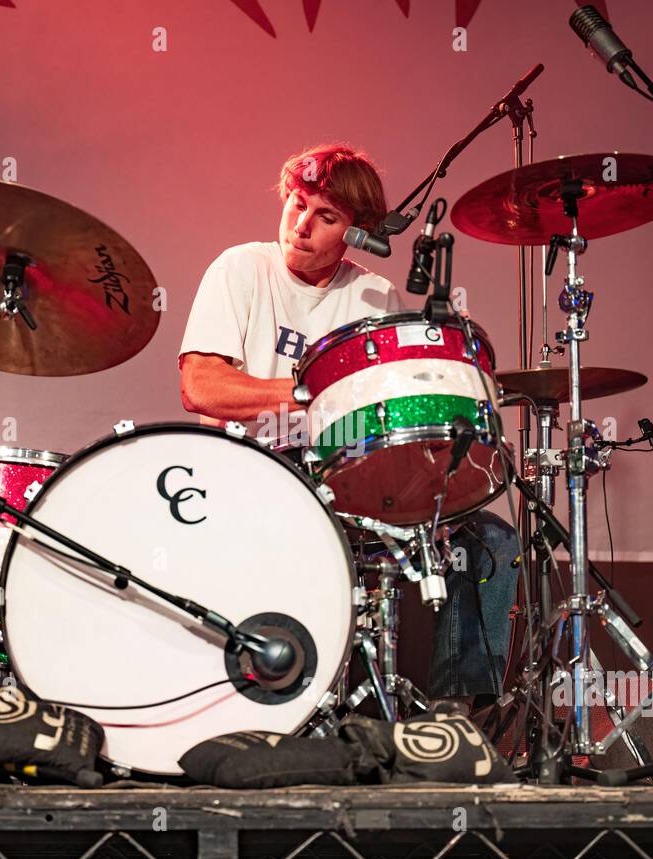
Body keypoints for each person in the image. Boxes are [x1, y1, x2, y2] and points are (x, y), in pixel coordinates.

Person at [178, 142, 519, 711]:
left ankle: (456, 721)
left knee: (489, 544)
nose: (301, 224)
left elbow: (389, 411)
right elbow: (200, 387)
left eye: (325, 216)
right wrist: (313, 393)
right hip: (255, 474)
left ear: (358, 232)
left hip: (347, 479)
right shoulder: (242, 268)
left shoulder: (374, 295)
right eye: (296, 202)